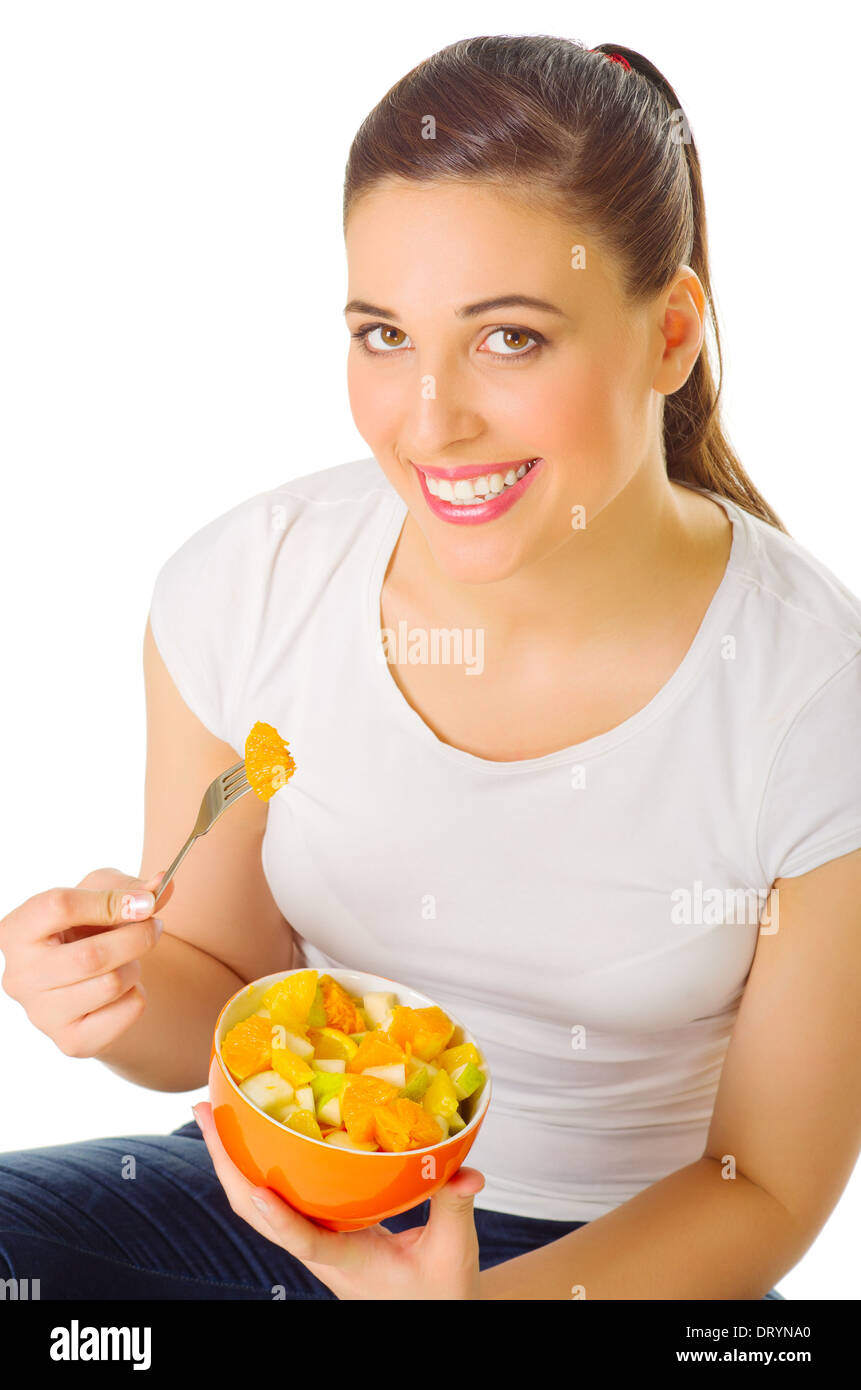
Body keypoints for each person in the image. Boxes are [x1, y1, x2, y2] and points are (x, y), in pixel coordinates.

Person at [1, 34, 858, 1300]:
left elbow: (769, 1187)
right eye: (384, 333)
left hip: (613, 1266)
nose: (429, 417)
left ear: (671, 333)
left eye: (510, 339)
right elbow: (227, 990)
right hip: (282, 1202)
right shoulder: (248, 585)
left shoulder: (809, 694)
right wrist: (110, 997)